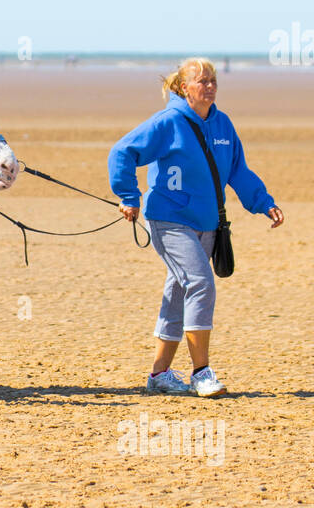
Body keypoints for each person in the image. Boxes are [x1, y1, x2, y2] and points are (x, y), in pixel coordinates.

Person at [107, 58, 284, 398]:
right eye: (202, 81)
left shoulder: (222, 124)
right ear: (183, 88)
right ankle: (201, 372)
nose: (210, 86)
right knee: (200, 282)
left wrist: (264, 202)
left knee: (179, 292)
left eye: (213, 80)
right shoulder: (168, 122)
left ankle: (159, 375)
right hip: (169, 221)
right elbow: (122, 152)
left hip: (208, 224)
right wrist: (129, 196)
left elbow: (238, 171)